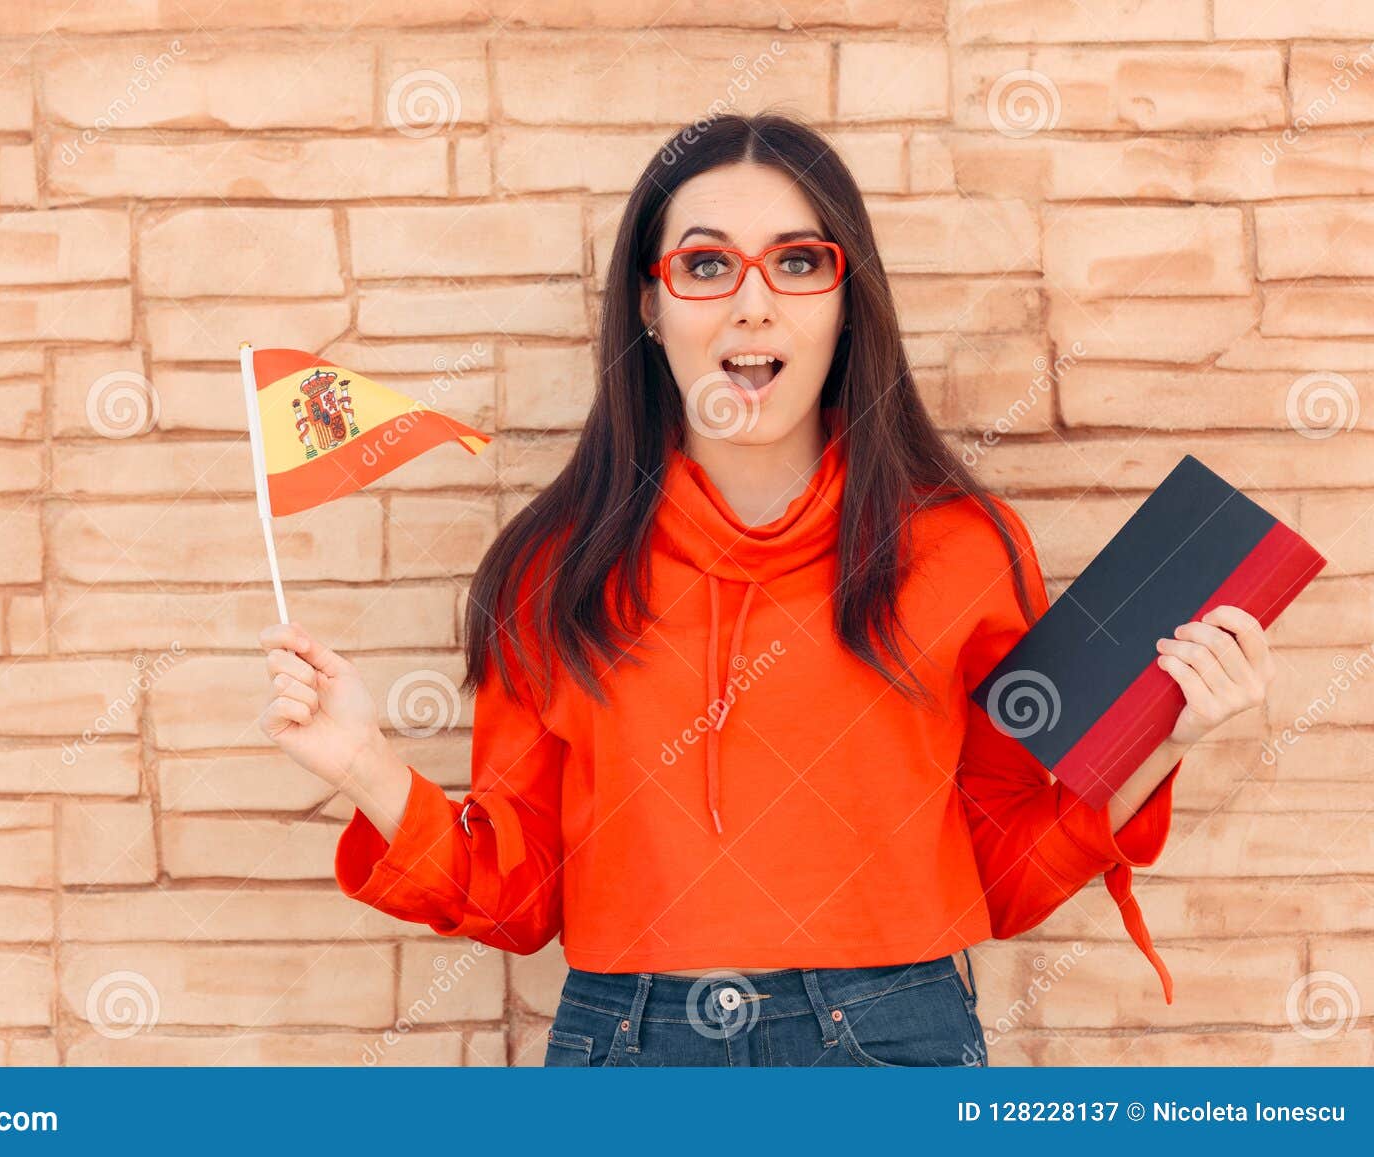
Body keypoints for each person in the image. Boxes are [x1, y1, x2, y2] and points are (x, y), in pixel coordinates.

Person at [257, 112, 1275, 1067]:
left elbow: (1002, 874)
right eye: (706, 264)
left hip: (893, 1041)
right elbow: (516, 899)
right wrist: (362, 760)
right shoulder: (554, 567)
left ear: (844, 299)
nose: (754, 300)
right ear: (649, 305)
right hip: (627, 1045)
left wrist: (1165, 729)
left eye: (797, 261)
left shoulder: (960, 547)